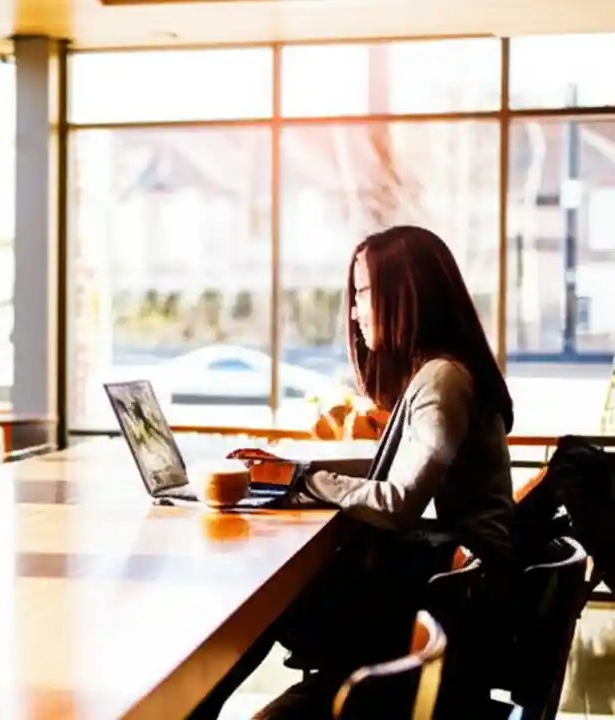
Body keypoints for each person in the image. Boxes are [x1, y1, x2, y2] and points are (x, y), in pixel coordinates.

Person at [190, 225, 516, 720]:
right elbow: (401, 464)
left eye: (362, 293)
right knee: (263, 608)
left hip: (451, 602)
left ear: (404, 294)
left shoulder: (442, 379)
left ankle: (191, 706)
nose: (355, 311)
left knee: (256, 605)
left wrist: (299, 480)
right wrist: (295, 468)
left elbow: (399, 502)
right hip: (453, 589)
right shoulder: (440, 371)